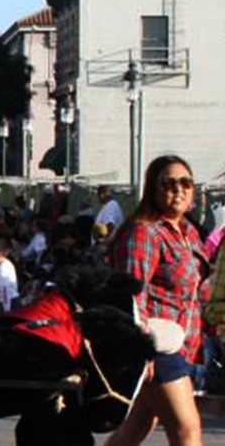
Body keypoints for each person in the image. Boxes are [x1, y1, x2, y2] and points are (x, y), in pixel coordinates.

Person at [107, 155, 208, 446]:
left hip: (183, 344)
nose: (179, 189)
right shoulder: (144, 232)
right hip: (157, 345)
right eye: (169, 183)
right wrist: (140, 349)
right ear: (153, 188)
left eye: (185, 183)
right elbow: (128, 293)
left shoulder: (188, 233)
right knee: (187, 430)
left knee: (137, 427)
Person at [0, 238, 18, 313]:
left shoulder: (3, 268)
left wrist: (6, 310)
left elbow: (5, 290)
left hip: (8, 303)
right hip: (5, 302)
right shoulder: (0, 266)